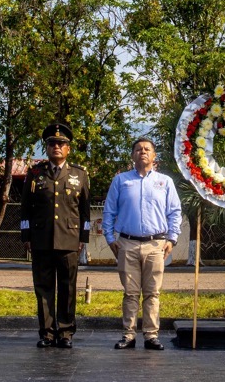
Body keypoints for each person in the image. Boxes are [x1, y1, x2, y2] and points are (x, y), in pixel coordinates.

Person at [102, 137, 182, 351]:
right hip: (126, 244)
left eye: (147, 149)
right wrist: (110, 238)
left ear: (154, 156)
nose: (143, 152)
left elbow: (174, 212)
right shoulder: (121, 181)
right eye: (138, 149)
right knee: (130, 293)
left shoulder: (165, 182)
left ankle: (151, 335)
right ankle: (128, 335)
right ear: (132, 155)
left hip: (156, 245)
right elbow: (109, 211)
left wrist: (172, 238)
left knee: (152, 293)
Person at [20, 122, 90, 349]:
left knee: (68, 288)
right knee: (43, 288)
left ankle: (66, 332)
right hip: (41, 240)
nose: (56, 147)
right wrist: (26, 235)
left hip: (69, 240)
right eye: (52, 143)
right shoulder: (35, 173)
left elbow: (85, 211)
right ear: (47, 147)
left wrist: (83, 238)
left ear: (68, 148)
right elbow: (25, 208)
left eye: (61, 143)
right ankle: (47, 333)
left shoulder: (79, 174)